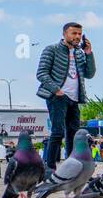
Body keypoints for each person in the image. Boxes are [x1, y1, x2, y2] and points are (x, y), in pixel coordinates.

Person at [35, 22, 97, 168]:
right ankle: (50, 168)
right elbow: (41, 73)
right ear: (64, 34)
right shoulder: (52, 49)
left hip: (74, 98)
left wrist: (89, 53)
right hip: (58, 97)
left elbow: (90, 74)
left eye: (79, 34)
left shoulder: (79, 53)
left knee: (74, 135)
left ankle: (71, 167)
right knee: (57, 132)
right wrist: (57, 91)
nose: (77, 37)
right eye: (74, 33)